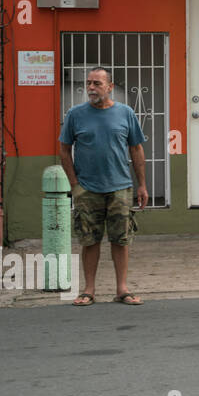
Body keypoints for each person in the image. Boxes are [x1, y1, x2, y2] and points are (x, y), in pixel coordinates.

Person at [59, 66, 149, 305]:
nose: (91, 88)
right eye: (89, 83)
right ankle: (88, 289)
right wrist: (74, 184)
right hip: (87, 188)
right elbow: (64, 150)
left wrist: (142, 185)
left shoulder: (126, 113)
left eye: (97, 83)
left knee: (121, 239)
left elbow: (136, 149)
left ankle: (122, 289)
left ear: (110, 87)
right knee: (89, 240)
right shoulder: (75, 115)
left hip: (120, 186)